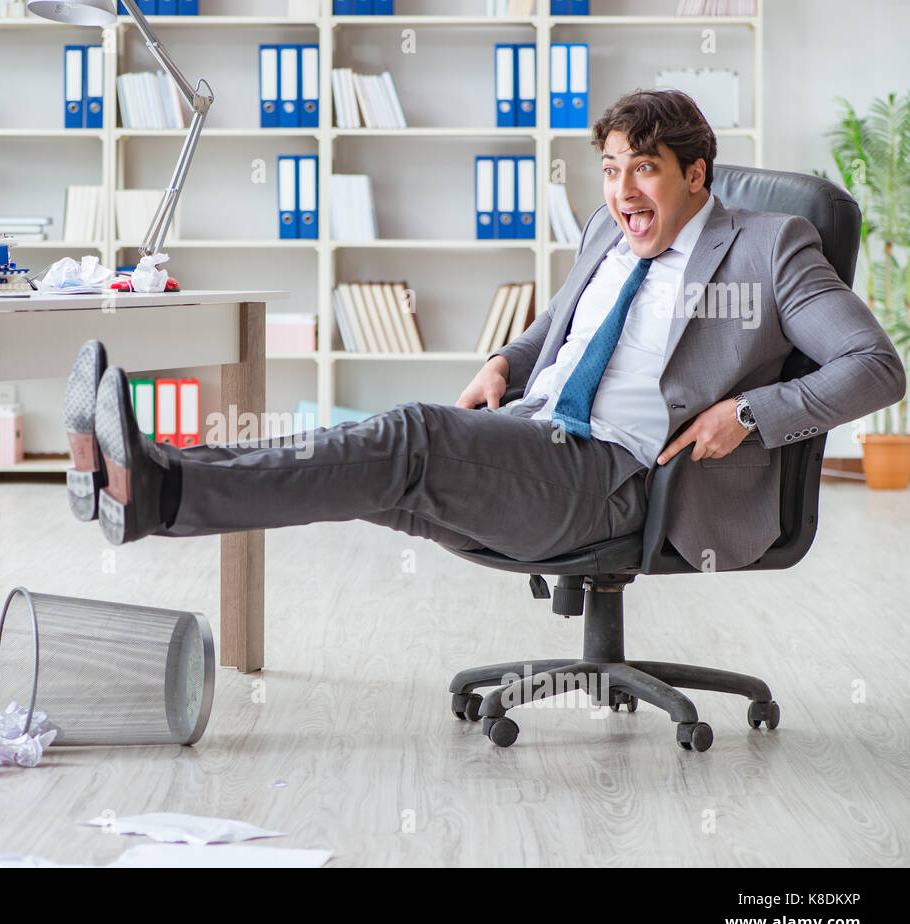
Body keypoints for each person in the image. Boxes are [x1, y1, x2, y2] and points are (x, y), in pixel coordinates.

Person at [62, 89, 906, 572]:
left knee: (404, 439)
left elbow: (876, 367)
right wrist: (508, 359)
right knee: (371, 466)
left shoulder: (770, 244)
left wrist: (750, 413)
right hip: (533, 433)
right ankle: (153, 481)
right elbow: (560, 329)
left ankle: (160, 488)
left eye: (643, 169)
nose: (622, 192)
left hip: (623, 477)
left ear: (695, 173)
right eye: (610, 170)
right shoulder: (608, 231)